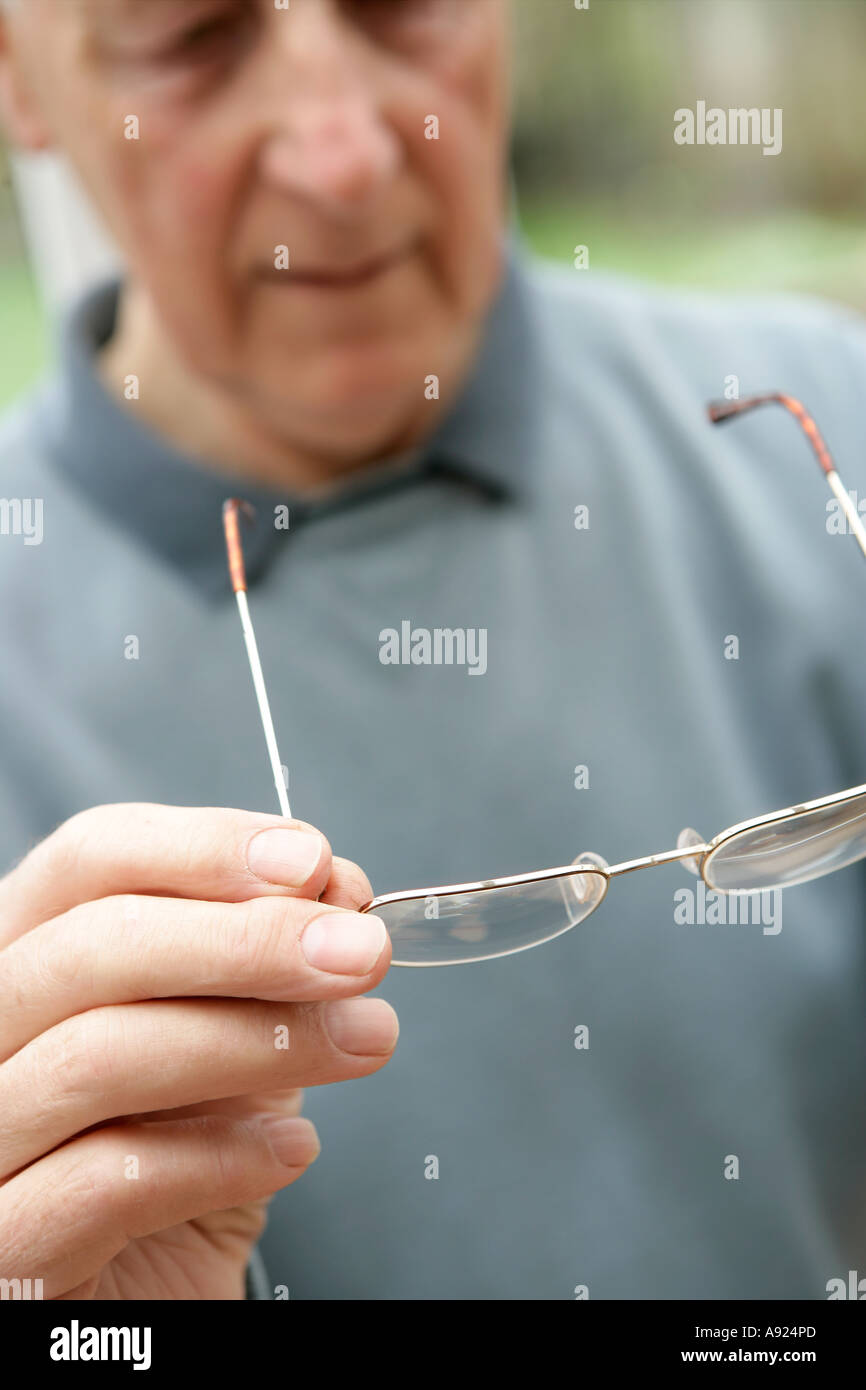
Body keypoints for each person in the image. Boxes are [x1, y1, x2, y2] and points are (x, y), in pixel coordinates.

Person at [1, 0, 866, 1302]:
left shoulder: (823, 432)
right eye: (192, 36)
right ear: (18, 78)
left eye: (404, 7)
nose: (345, 156)